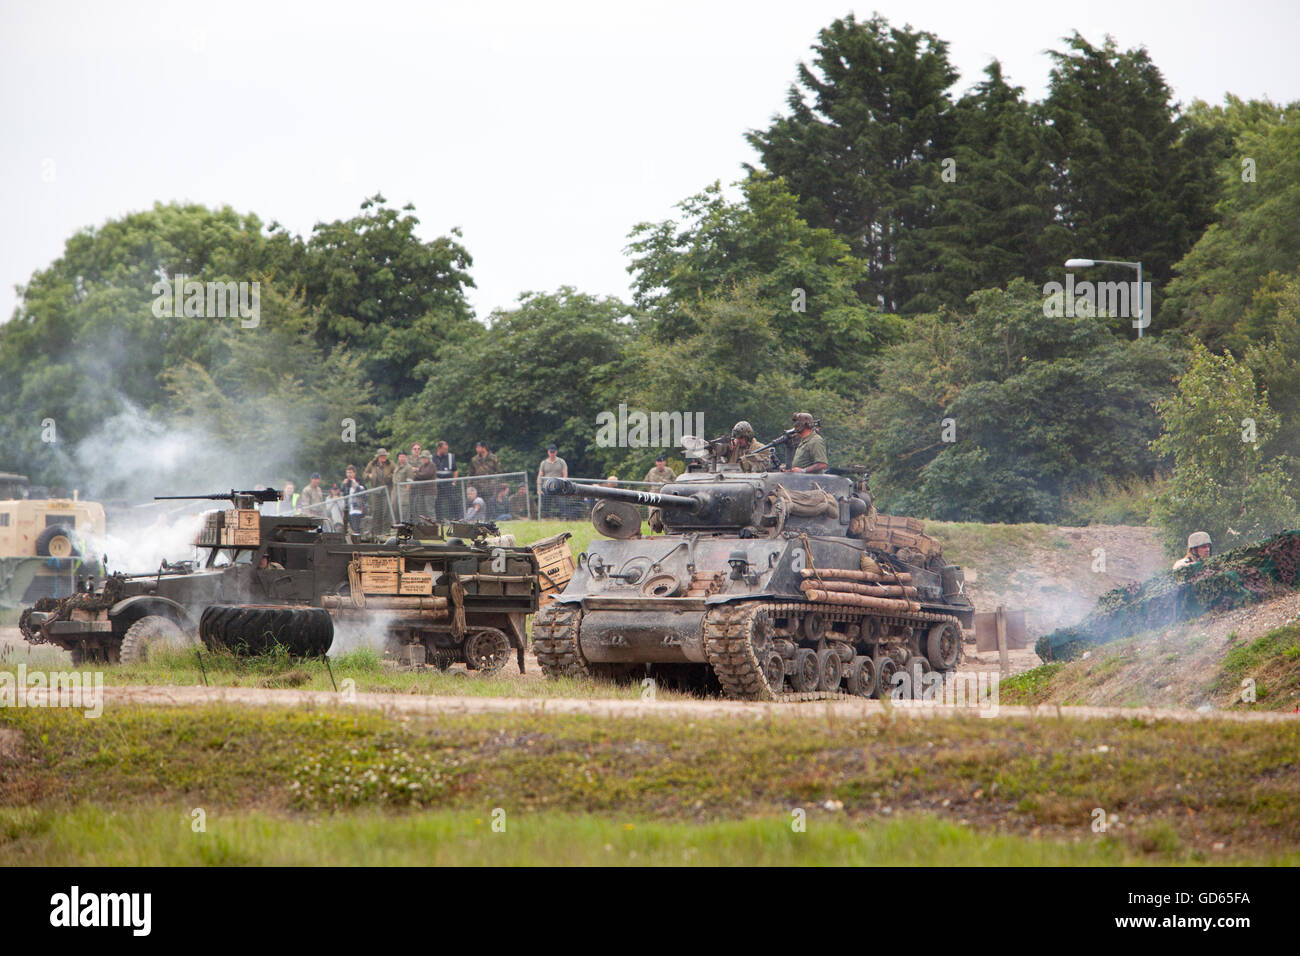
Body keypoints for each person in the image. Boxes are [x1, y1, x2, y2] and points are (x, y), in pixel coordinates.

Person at [537, 445, 568, 519]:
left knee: (561, 504)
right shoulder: (544, 463)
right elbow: (539, 476)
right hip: (546, 487)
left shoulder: (561, 461)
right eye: (551, 452)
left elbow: (565, 474)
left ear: (556, 452)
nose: (552, 454)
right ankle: (546, 518)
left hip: (558, 487)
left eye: (553, 452)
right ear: (548, 452)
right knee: (546, 505)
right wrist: (538, 488)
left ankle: (563, 518)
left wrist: (563, 485)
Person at [433, 441, 458, 520]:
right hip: (437, 485)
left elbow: (455, 471)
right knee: (437, 502)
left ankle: (454, 518)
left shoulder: (450, 457)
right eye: (444, 449)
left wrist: (454, 482)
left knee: (453, 500)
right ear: (439, 448)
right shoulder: (432, 458)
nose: (446, 451)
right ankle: (439, 519)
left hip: (448, 484)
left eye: (447, 449)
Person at [412, 450, 438, 520]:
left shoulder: (432, 465)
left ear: (429, 458)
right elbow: (418, 477)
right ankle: (425, 528)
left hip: (430, 492)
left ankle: (433, 527)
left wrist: (416, 472)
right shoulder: (422, 466)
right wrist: (415, 475)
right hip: (422, 492)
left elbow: (425, 475)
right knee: (422, 511)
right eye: (422, 458)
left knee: (430, 511)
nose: (423, 459)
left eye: (425, 458)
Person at [341, 465, 366, 534]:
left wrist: (354, 483)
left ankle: (357, 540)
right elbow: (342, 492)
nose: (349, 475)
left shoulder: (359, 481)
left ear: (354, 473)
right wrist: (343, 484)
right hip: (348, 508)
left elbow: (363, 492)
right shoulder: (346, 482)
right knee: (350, 526)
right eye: (348, 473)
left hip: (357, 509)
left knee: (356, 527)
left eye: (351, 472)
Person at [391, 451, 416, 519]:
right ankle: (397, 524)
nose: (402, 458)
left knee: (404, 508)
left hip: (403, 490)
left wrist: (406, 491)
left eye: (403, 457)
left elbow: (409, 481)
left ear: (406, 457)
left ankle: (405, 525)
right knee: (394, 507)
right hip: (395, 489)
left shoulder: (408, 467)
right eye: (400, 457)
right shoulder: (397, 466)